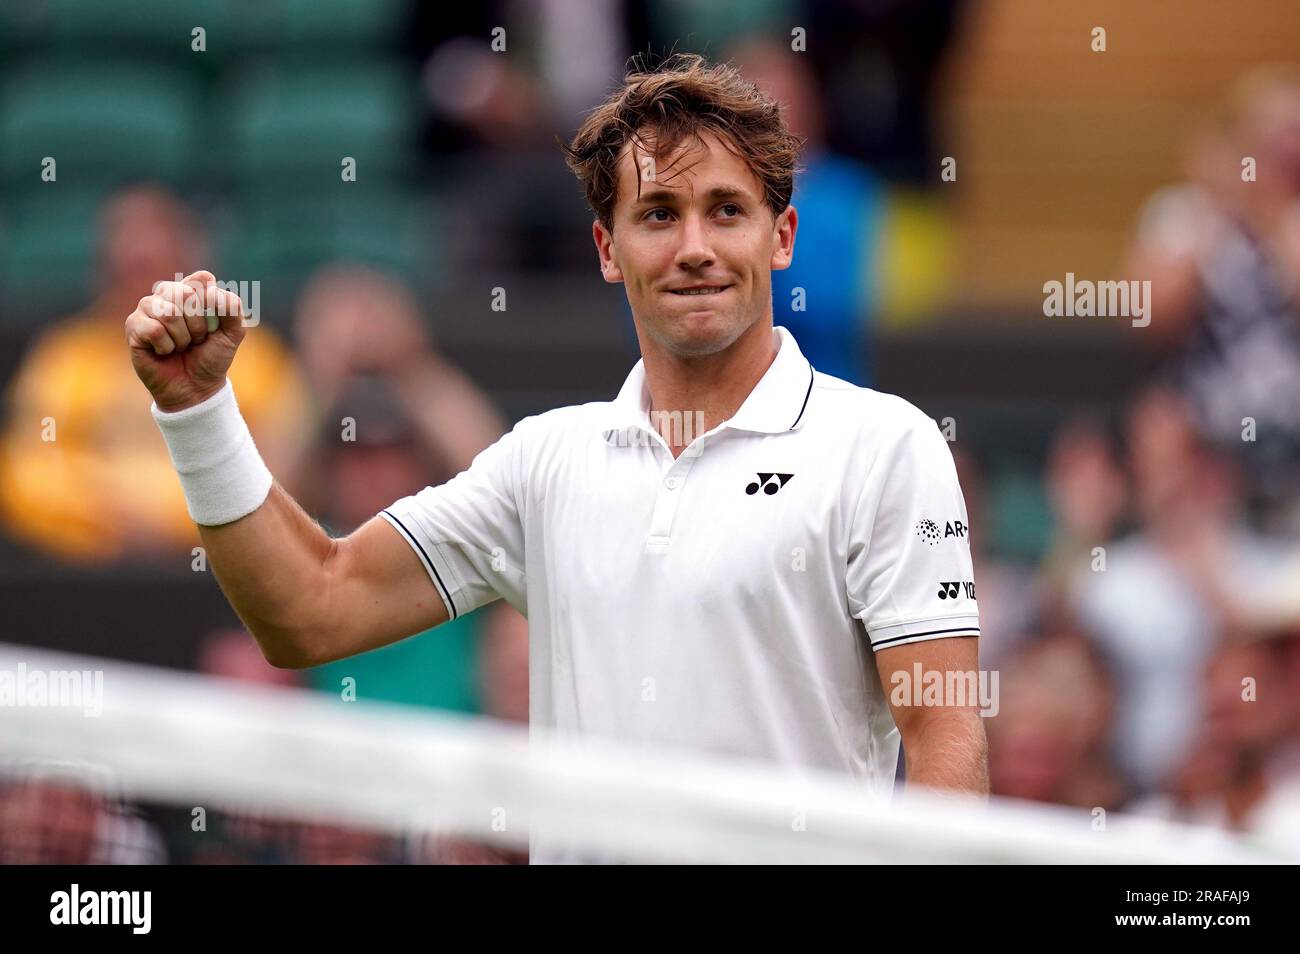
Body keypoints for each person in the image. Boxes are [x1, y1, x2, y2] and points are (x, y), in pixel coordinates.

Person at [124, 54, 986, 862]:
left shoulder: (887, 447)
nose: (694, 246)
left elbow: (944, 736)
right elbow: (310, 610)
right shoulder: (544, 461)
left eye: (726, 209)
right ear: (608, 250)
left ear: (782, 236)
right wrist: (198, 414)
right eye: (658, 214)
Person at [0, 184, 312, 564]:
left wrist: (170, 521)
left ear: (191, 268)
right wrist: (110, 518)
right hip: (86, 577)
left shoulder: (252, 354)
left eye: (155, 269)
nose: (143, 289)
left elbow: (282, 473)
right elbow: (27, 472)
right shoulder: (64, 357)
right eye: (128, 269)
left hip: (222, 574)